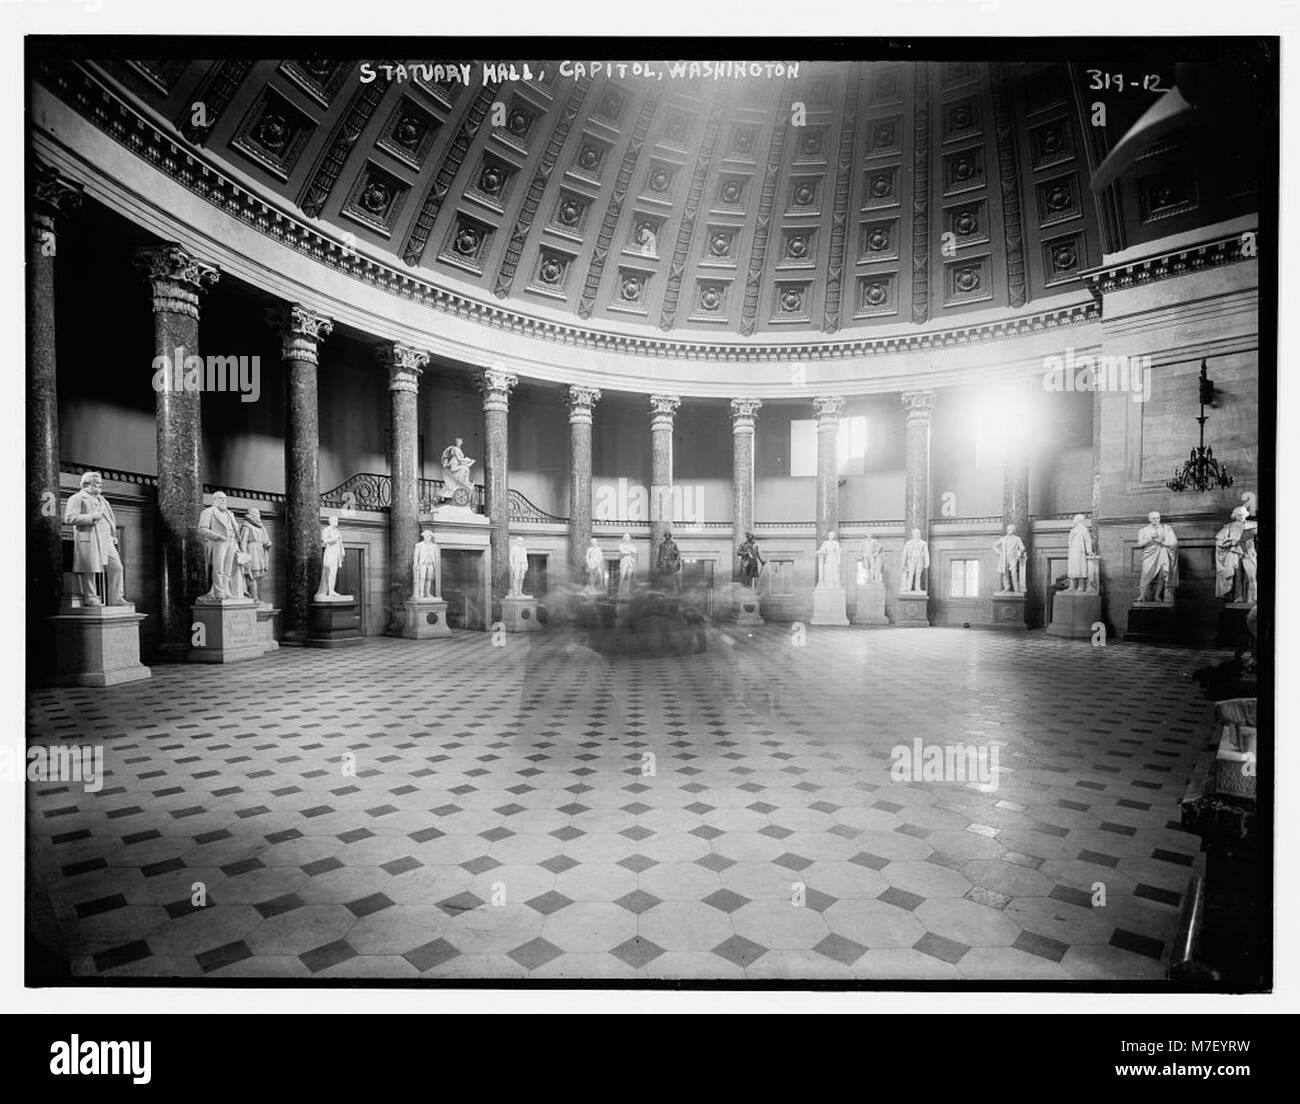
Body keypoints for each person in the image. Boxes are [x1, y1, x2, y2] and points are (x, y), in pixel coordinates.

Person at [63, 470, 125, 607]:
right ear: (87, 484)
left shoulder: (103, 500)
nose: (100, 485)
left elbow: (109, 519)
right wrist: (92, 517)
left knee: (117, 567)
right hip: (89, 537)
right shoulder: (77, 498)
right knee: (90, 568)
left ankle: (116, 598)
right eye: (97, 483)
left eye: (100, 483)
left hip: (105, 539)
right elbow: (69, 518)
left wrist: (112, 535)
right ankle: (91, 597)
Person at [198, 491, 241, 600]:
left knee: (228, 569)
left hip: (231, 542)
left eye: (225, 499)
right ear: (214, 500)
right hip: (218, 542)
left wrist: (236, 544)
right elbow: (202, 529)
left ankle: (226, 589)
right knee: (218, 568)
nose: (223, 501)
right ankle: (218, 591)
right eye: (221, 498)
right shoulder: (208, 512)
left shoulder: (229, 513)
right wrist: (217, 536)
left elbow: (235, 530)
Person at [1215, 505, 1257, 605]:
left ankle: (1254, 597)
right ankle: (1239, 597)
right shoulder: (1229, 527)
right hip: (1235, 554)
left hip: (1248, 553)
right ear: (1235, 516)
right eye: (1239, 515)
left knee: (1251, 576)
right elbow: (1219, 542)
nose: (1241, 516)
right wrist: (1231, 542)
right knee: (1237, 577)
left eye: (1242, 514)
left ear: (1246, 514)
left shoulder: (1254, 525)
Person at [1135, 511, 1178, 603]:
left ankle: (1157, 596)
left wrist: (1162, 542)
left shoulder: (1166, 529)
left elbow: (1173, 542)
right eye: (1154, 518)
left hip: (1162, 553)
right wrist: (1149, 539)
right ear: (1149, 519)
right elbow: (1139, 544)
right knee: (1145, 574)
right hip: (1149, 554)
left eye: (1158, 518)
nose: (1156, 520)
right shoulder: (1143, 530)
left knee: (1161, 575)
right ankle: (1142, 596)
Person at [238, 507, 273, 604]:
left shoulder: (261, 526)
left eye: (259, 514)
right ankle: (254, 597)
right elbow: (243, 541)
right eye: (256, 514)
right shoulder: (246, 526)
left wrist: (268, 543)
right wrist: (244, 555)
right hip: (252, 550)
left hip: (259, 550)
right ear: (251, 515)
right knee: (253, 575)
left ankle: (256, 597)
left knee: (258, 575)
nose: (258, 516)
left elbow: (265, 540)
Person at [315, 515, 351, 600]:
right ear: (330, 521)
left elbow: (340, 542)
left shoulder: (338, 531)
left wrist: (342, 550)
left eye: (337, 520)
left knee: (334, 572)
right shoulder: (326, 530)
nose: (336, 521)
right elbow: (325, 540)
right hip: (330, 552)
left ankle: (332, 590)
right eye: (335, 520)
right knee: (330, 572)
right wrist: (334, 539)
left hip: (336, 552)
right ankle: (329, 591)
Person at [993, 523, 1027, 594]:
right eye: (1008, 529)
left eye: (1011, 529)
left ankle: (1016, 588)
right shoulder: (1003, 539)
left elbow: (1022, 547)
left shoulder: (1017, 539)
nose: (1009, 530)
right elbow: (994, 546)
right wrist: (998, 552)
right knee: (1005, 573)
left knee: (1014, 572)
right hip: (1004, 557)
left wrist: (1021, 550)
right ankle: (1007, 587)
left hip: (1013, 558)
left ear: (1014, 530)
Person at [1066, 514, 1092, 592]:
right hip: (1073, 551)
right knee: (1072, 569)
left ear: (1079, 520)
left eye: (1075, 519)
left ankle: (1081, 586)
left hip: (1080, 551)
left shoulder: (1083, 529)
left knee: (1080, 569)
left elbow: (1087, 540)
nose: (1073, 521)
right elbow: (1070, 541)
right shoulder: (1073, 530)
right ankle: (1072, 586)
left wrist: (1089, 551)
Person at [413, 529, 440, 599]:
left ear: (431, 537)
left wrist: (436, 565)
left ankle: (427, 593)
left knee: (429, 578)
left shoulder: (434, 546)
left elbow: (436, 556)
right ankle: (421, 593)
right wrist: (416, 564)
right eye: (425, 536)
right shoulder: (419, 545)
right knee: (422, 578)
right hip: (422, 563)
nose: (427, 537)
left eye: (428, 536)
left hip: (431, 563)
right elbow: (416, 555)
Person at [901, 528, 929, 593]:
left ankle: (917, 588)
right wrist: (903, 563)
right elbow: (904, 553)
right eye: (915, 533)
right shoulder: (908, 543)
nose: (917, 534)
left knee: (918, 575)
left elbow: (926, 553)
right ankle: (908, 588)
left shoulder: (923, 543)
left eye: (918, 533)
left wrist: (927, 562)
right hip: (911, 560)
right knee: (911, 574)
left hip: (920, 560)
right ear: (913, 534)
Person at [618, 532, 636, 597]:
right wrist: (629, 551)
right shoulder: (621, 545)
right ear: (623, 538)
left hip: (630, 562)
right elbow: (622, 552)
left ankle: (627, 593)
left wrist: (628, 551)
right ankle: (620, 593)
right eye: (625, 537)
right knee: (622, 577)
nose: (627, 538)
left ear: (629, 538)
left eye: (628, 537)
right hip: (624, 561)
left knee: (628, 578)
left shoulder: (632, 545)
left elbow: (634, 551)